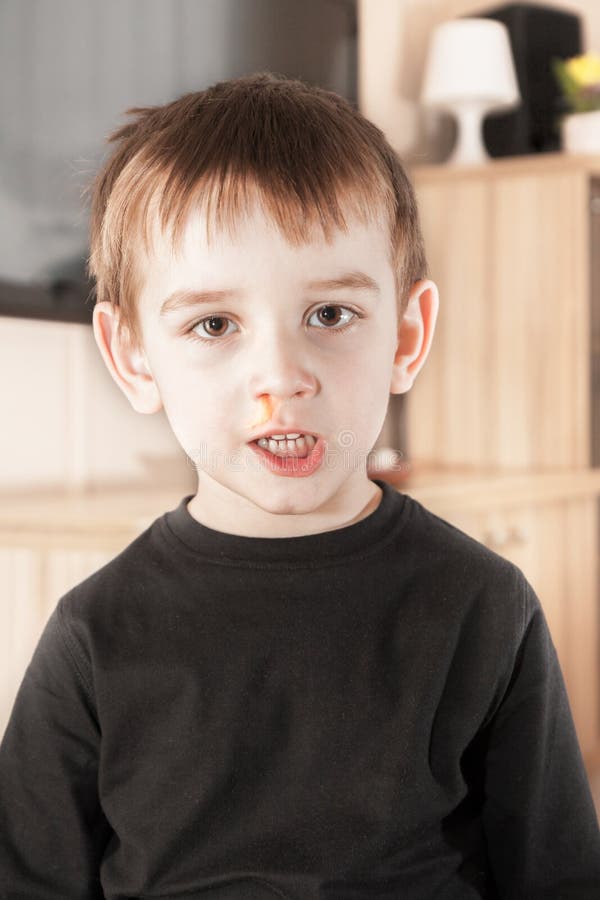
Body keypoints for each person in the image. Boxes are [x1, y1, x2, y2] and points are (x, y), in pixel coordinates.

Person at [0, 72, 599, 900]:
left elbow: (557, 876)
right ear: (135, 357)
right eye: (214, 324)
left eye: (329, 315)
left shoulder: (484, 606)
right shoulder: (93, 637)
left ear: (406, 334)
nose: (280, 378)